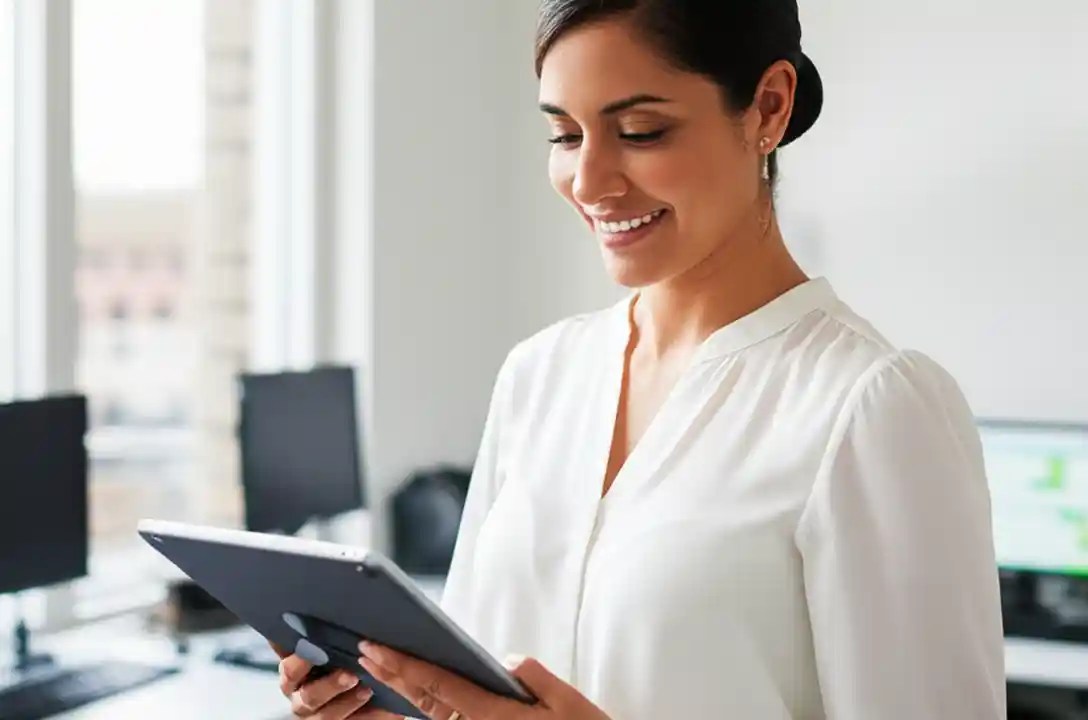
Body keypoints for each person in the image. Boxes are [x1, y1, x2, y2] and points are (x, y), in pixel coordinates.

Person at [277, 0, 1006, 718]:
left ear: (768, 109)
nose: (589, 182)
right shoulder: (539, 375)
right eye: (564, 136)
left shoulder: (870, 405)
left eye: (640, 131)